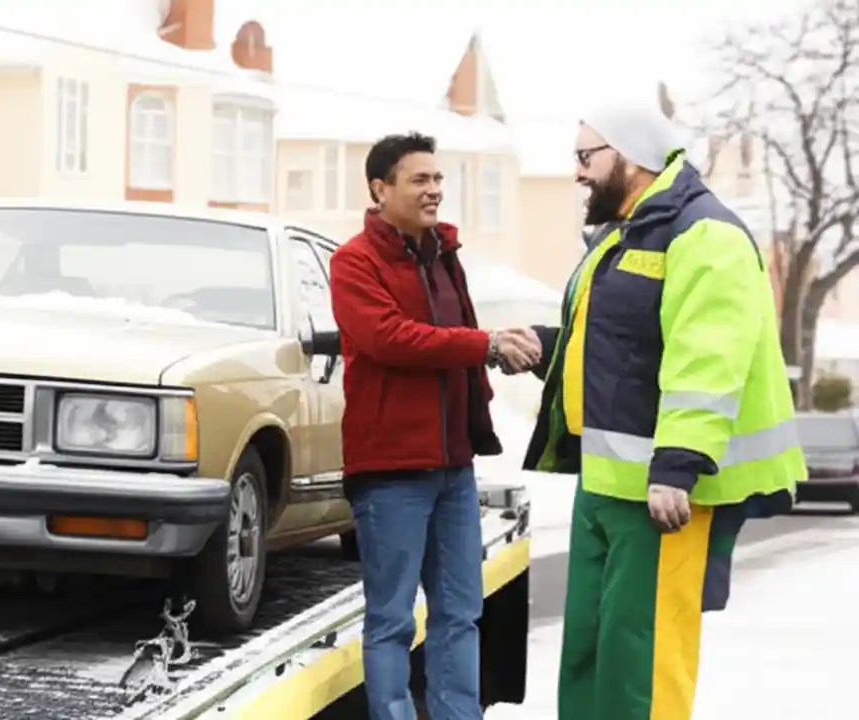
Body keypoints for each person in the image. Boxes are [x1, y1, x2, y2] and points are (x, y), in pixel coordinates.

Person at [514, 101, 804, 720]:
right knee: (592, 654)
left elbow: (707, 359)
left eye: (586, 156)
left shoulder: (705, 234)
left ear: (633, 156)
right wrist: (547, 346)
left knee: (643, 659)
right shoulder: (623, 236)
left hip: (661, 492)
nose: (576, 173)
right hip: (606, 484)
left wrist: (676, 466)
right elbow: (618, 341)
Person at [327, 131, 542, 720]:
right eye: (420, 180)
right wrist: (486, 344)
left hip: (453, 467)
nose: (434, 191)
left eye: (438, 179)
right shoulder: (354, 262)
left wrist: (489, 363)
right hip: (391, 471)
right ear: (380, 188)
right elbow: (390, 339)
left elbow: (460, 342)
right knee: (393, 619)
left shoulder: (445, 256)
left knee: (460, 613)